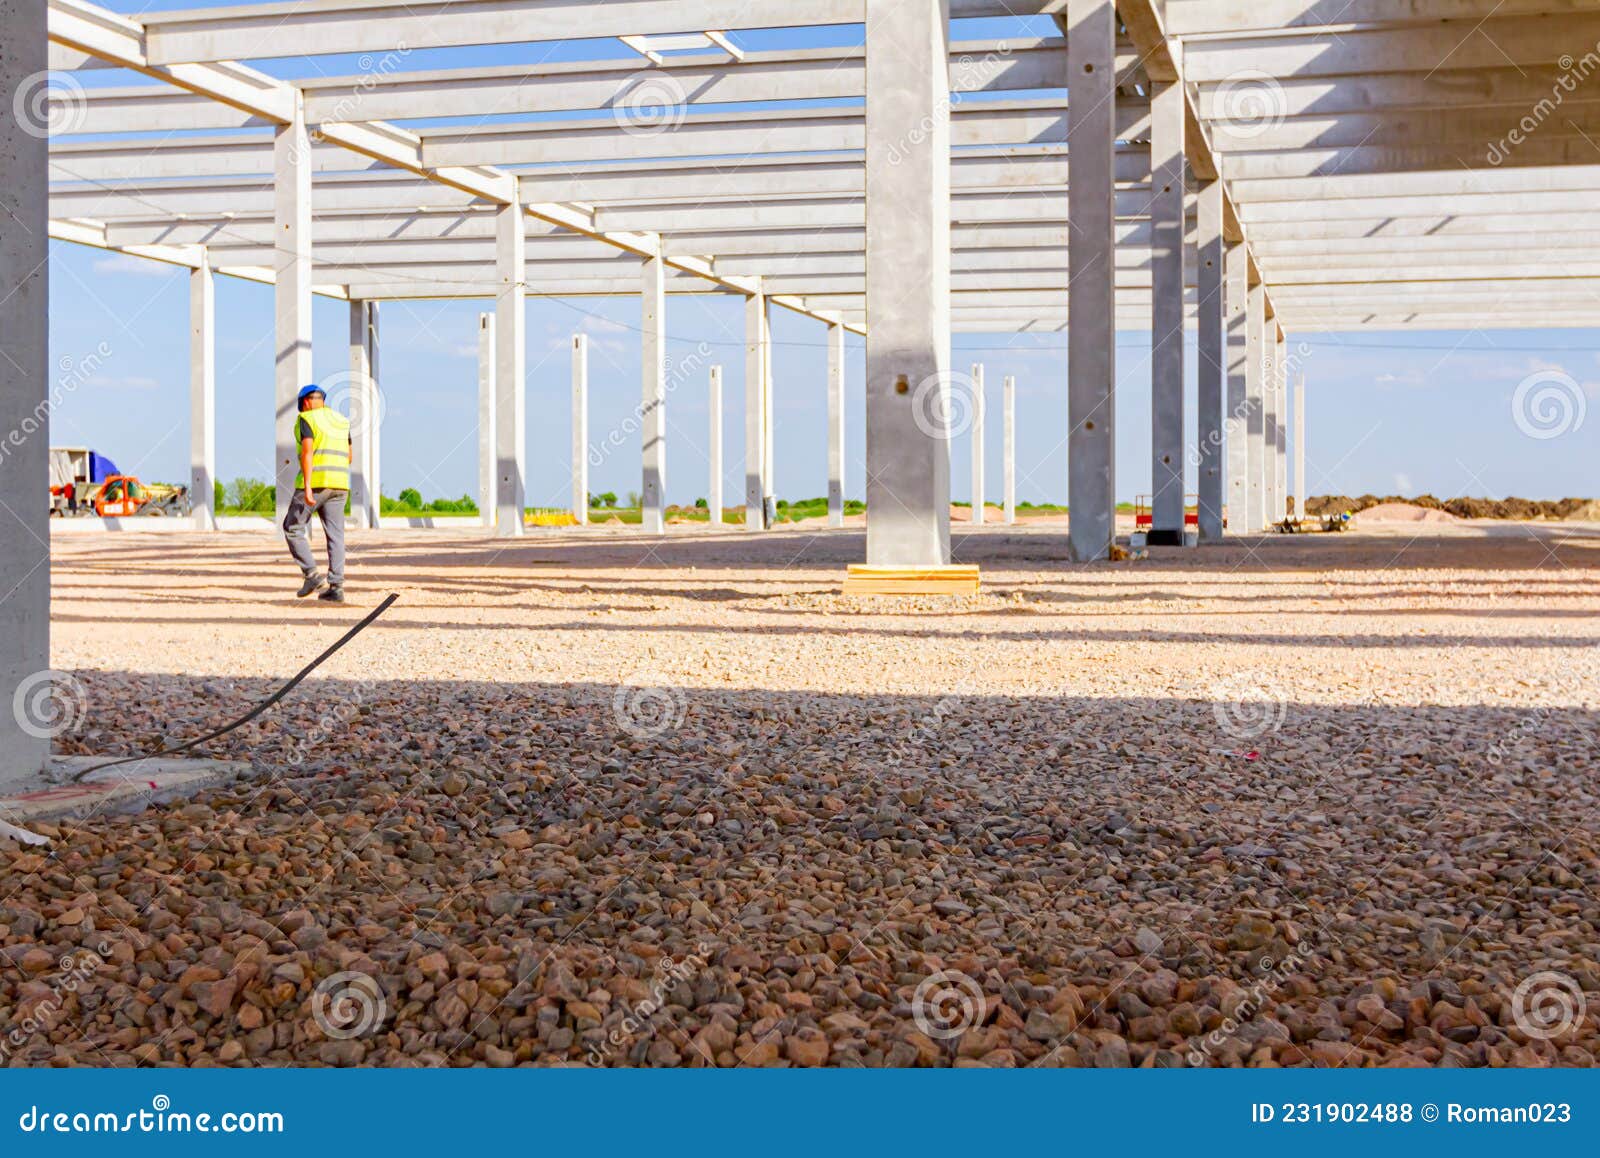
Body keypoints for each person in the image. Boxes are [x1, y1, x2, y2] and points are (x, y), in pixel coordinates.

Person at [283, 383, 351, 604]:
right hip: (340, 484)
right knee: (336, 535)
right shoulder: (341, 421)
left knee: (292, 527)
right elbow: (349, 455)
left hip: (316, 484)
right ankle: (336, 587)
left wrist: (309, 487)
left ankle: (311, 575)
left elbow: (307, 452)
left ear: (304, 402)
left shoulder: (307, 419)